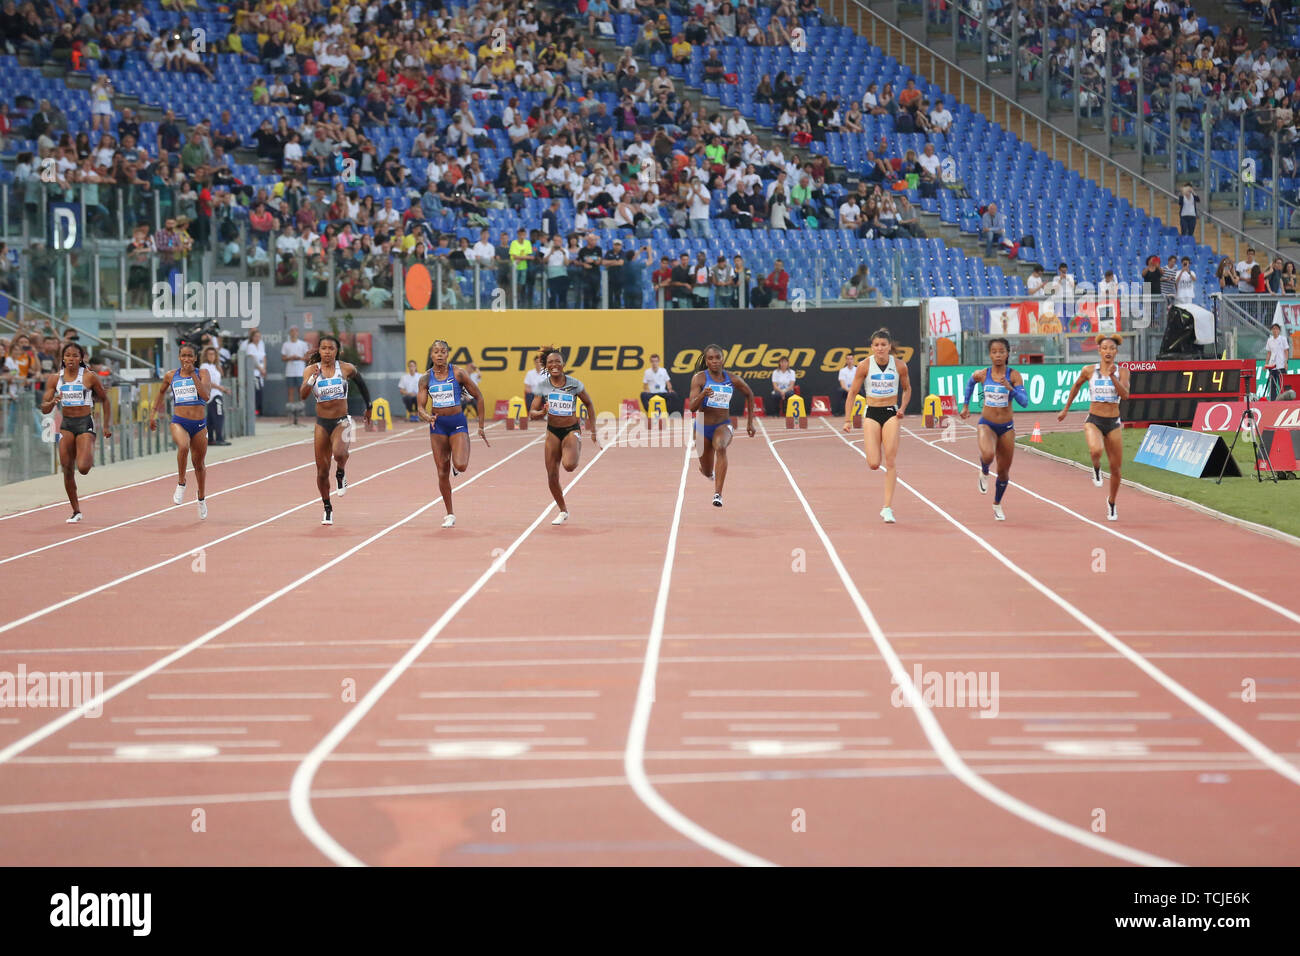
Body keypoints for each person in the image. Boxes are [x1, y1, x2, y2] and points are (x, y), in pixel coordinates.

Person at [301, 334, 373, 526]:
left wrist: (369, 406)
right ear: (319, 350)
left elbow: (362, 383)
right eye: (323, 348)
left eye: (330, 349)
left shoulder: (346, 368)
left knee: (340, 453)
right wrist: (311, 381)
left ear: (336, 351)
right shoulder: (311, 370)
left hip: (342, 420)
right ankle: (327, 507)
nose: (327, 352)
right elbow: (302, 395)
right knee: (322, 471)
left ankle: (341, 472)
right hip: (322, 423)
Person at [842, 328, 912, 523]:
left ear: (889, 347)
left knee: (890, 461)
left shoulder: (899, 366)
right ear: (871, 348)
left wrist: (903, 408)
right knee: (874, 463)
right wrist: (848, 419)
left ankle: (887, 508)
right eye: (876, 345)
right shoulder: (864, 366)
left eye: (883, 345)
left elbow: (907, 389)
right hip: (872, 413)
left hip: (891, 413)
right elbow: (852, 393)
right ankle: (876, 454)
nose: (880, 348)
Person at [1057, 333, 1130, 521]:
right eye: (1105, 348)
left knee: (1116, 469)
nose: (1108, 351)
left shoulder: (1122, 372)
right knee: (1096, 450)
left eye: (1112, 349)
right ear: (1099, 351)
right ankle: (1096, 467)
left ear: (1116, 352)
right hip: (1094, 420)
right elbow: (1075, 386)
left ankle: (1112, 502)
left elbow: (1125, 394)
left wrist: (1113, 377)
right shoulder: (1089, 370)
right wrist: (1065, 409)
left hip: (1113, 422)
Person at [418, 339, 487, 529]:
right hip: (438, 426)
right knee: (442, 472)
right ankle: (449, 513)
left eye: (443, 351)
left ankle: (458, 456)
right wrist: (425, 416)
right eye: (436, 352)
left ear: (447, 354)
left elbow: (479, 397)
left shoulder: (458, 373)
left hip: (457, 423)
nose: (439, 354)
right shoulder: (425, 378)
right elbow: (420, 407)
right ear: (431, 355)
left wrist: (481, 426)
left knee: (461, 465)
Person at [40, 342, 112, 523]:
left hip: (84, 422)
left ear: (81, 359)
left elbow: (105, 400)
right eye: (68, 355)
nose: (71, 359)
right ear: (62, 358)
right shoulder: (55, 379)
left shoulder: (89, 377)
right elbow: (44, 409)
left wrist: (106, 426)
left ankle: (87, 449)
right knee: (66, 468)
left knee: (84, 468)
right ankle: (76, 510)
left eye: (75, 356)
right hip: (66, 424)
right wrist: (53, 402)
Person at [959, 338, 1030, 520]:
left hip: (1006, 427)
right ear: (990, 354)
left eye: (1001, 352)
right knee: (988, 455)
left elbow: (1024, 402)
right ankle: (983, 470)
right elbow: (970, 382)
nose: (998, 355)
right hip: (987, 424)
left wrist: (1010, 389)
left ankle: (997, 503)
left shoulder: (1014, 376)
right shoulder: (984, 374)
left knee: (1004, 471)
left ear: (1007, 354)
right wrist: (966, 405)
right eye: (994, 352)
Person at [528, 346, 599, 525]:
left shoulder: (574, 384)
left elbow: (589, 403)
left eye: (557, 362)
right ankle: (562, 510)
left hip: (571, 429)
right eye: (550, 362)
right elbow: (532, 413)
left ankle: (576, 443)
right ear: (546, 365)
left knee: (569, 466)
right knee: (552, 475)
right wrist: (542, 411)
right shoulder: (543, 386)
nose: (554, 365)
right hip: (552, 431)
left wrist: (593, 428)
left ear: (563, 364)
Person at [687, 343, 757, 508]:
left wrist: (750, 423)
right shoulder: (699, 379)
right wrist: (703, 393)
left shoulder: (731, 378)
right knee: (706, 470)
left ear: (722, 359)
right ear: (706, 360)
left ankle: (718, 494)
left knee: (721, 447)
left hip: (723, 425)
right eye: (710, 358)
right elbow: (692, 407)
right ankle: (709, 472)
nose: (715, 361)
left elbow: (749, 394)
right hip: (702, 428)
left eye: (718, 357)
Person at [148, 343, 211, 519]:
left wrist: (192, 375)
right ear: (179, 357)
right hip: (179, 421)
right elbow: (160, 393)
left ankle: (201, 499)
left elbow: (206, 396)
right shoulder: (171, 375)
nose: (187, 359)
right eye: (184, 356)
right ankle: (181, 482)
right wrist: (153, 414)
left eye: (190, 356)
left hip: (199, 424)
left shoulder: (203, 373)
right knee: (183, 446)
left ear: (195, 358)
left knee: (199, 465)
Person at [200, 345, 232, 445]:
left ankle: (210, 439)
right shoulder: (204, 366)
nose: (212, 356)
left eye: (213, 354)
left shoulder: (215, 367)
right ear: (205, 355)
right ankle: (219, 438)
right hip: (213, 395)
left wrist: (223, 389)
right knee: (219, 416)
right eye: (209, 354)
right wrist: (221, 388)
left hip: (216, 394)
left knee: (210, 418)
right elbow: (206, 382)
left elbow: (220, 377)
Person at [281, 325, 309, 407]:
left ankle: (301, 409)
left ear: (297, 333)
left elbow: (307, 358)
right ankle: (290, 409)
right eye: (292, 331)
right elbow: (283, 358)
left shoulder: (303, 344)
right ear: (290, 333)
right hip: (290, 372)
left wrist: (299, 358)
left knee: (300, 390)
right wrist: (290, 358)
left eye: (295, 331)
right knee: (290, 391)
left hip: (300, 372)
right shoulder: (286, 344)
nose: (293, 333)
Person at [241, 329, 266, 415]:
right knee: (255, 393)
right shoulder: (250, 346)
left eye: (259, 336)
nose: (257, 338)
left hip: (261, 374)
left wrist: (264, 369)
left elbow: (263, 357)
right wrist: (260, 368)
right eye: (256, 336)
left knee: (260, 393)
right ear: (252, 337)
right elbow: (252, 359)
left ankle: (259, 411)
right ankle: (255, 412)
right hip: (254, 374)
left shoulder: (261, 345)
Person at [1264, 323, 1291, 400]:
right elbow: (1269, 353)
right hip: (1272, 365)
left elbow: (1286, 351)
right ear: (1271, 330)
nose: (1275, 330)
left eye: (1276, 329)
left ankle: (1285, 399)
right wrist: (1266, 364)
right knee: (1273, 385)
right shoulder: (1269, 340)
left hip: (1281, 364)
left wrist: (1286, 362)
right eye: (1273, 329)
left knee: (1282, 383)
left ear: (1279, 330)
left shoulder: (1283, 339)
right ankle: (1273, 400)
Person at [835, 351, 857, 416]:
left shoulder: (857, 369)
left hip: (855, 389)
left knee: (862, 392)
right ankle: (839, 412)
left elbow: (859, 381)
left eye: (851, 359)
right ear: (846, 360)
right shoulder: (842, 371)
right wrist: (849, 390)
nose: (849, 361)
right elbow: (842, 384)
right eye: (848, 359)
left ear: (853, 360)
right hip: (846, 389)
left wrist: (853, 390)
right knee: (840, 391)